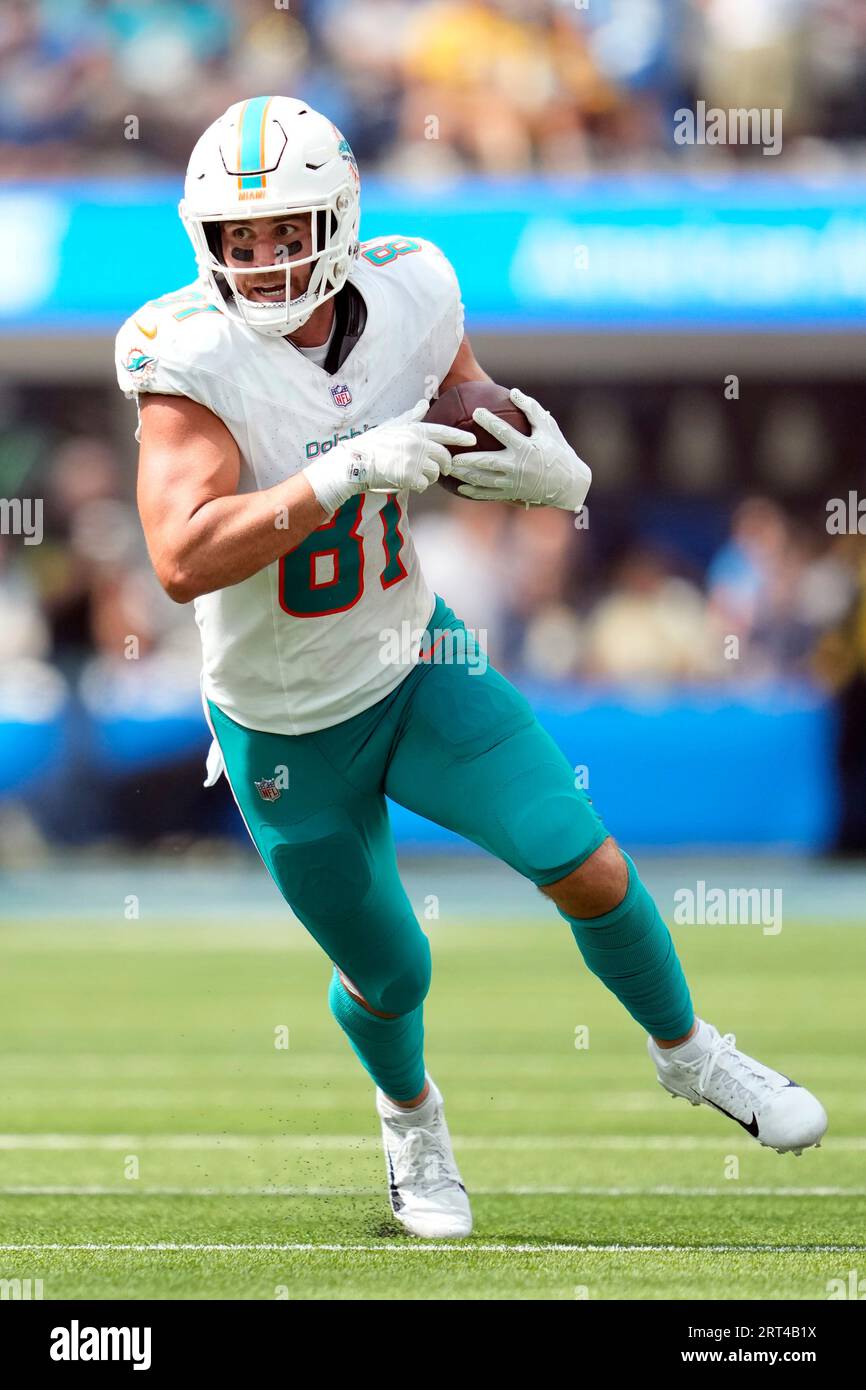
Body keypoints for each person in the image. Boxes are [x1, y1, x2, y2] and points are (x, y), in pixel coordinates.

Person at [116, 96, 826, 1239]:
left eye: (283, 230)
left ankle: (689, 1052)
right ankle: (412, 1126)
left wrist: (544, 465)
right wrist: (338, 474)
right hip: (281, 716)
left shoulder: (412, 287)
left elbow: (463, 403)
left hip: (417, 653)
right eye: (235, 238)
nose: (257, 260)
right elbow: (180, 557)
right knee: (391, 971)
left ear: (338, 222)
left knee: (581, 859)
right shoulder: (187, 356)